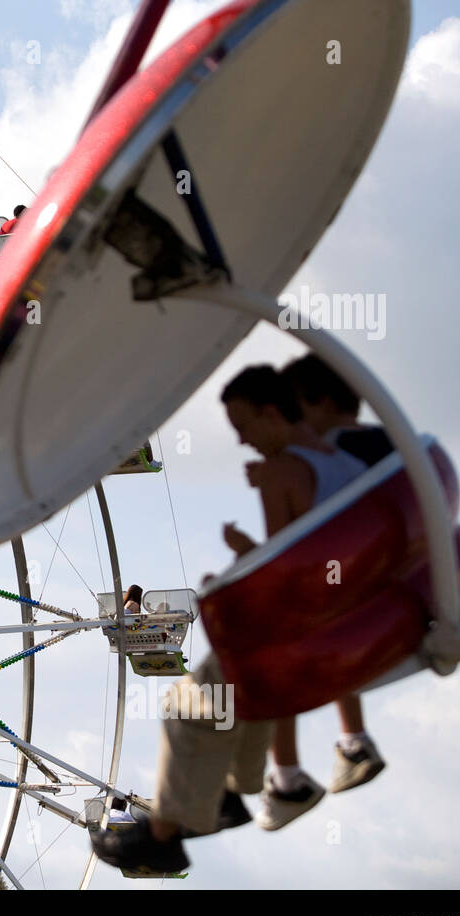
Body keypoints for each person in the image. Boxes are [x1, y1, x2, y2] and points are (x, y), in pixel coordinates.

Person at [92, 365, 367, 873]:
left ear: (272, 411)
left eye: (242, 426)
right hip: (338, 618)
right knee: (245, 703)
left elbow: (290, 564)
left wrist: (240, 564)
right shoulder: (348, 463)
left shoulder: (286, 470)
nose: (240, 440)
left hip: (294, 629)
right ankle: (248, 791)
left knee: (188, 707)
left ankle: (163, 834)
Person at [276, 353, 391, 800]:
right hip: (393, 576)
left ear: (318, 403)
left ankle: (283, 779)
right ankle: (352, 740)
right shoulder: (393, 441)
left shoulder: (332, 456)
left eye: (295, 414)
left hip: (353, 581)